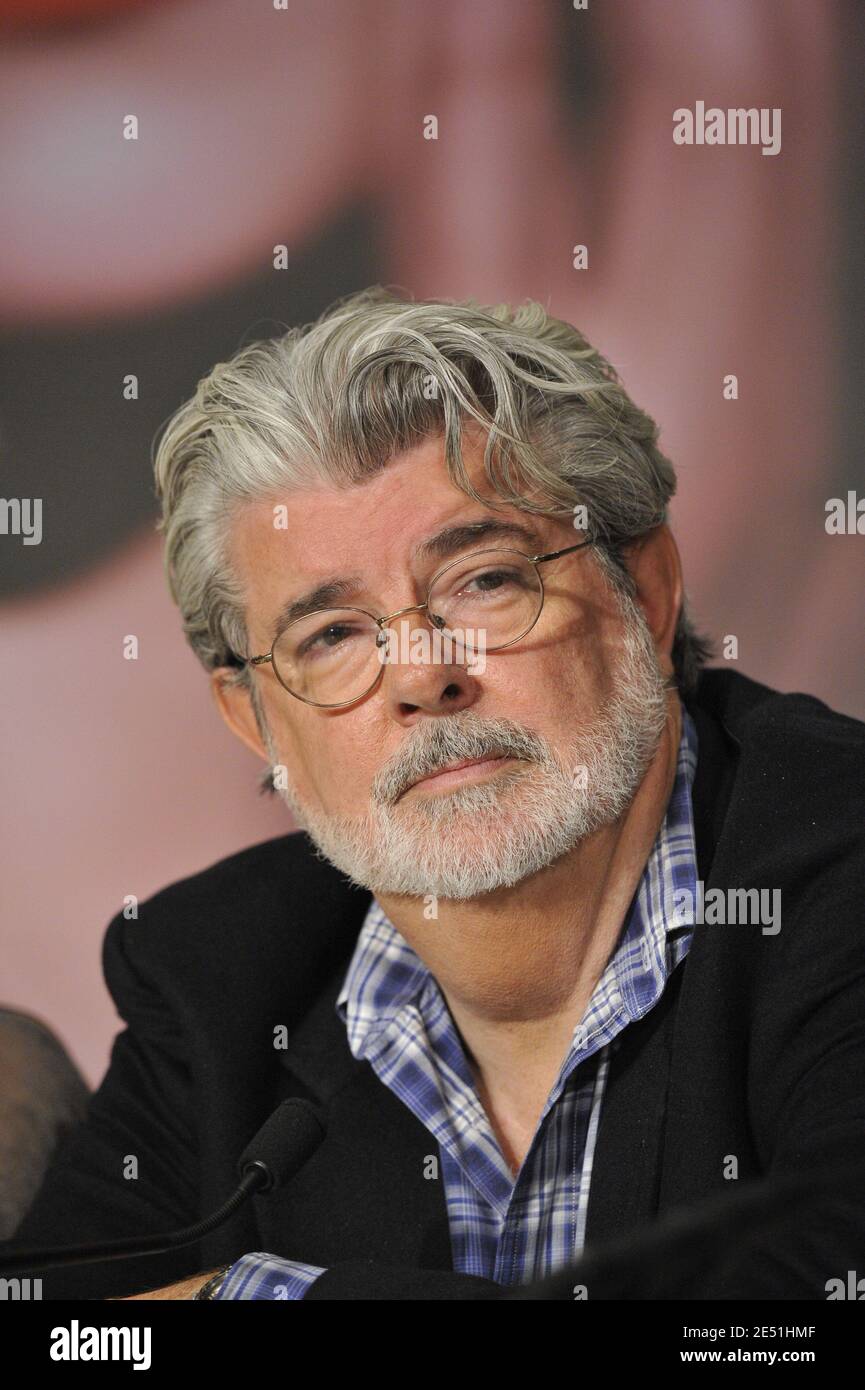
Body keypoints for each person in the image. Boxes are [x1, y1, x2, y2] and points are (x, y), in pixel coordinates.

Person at [5, 287, 864, 1299]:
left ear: (648, 587)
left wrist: (270, 1299)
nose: (422, 675)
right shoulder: (219, 982)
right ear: (254, 717)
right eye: (330, 637)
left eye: (486, 581)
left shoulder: (831, 871)